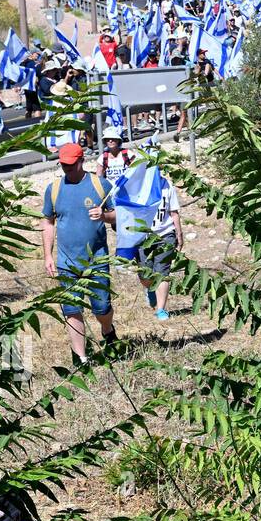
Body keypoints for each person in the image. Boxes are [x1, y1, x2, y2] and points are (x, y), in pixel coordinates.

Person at [41, 143, 118, 364]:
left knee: (102, 308)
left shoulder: (100, 184)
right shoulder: (54, 189)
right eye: (63, 165)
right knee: (72, 309)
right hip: (67, 263)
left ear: (81, 161)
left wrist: (104, 216)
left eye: (71, 165)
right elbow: (48, 223)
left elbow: (117, 216)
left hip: (97, 260)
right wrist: (48, 255)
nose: (67, 169)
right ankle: (81, 357)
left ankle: (107, 330)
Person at [136, 173, 183, 322]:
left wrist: (179, 234)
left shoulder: (167, 185)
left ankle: (161, 309)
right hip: (143, 236)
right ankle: (150, 289)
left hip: (165, 234)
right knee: (145, 275)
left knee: (162, 271)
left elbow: (174, 212)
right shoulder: (137, 186)